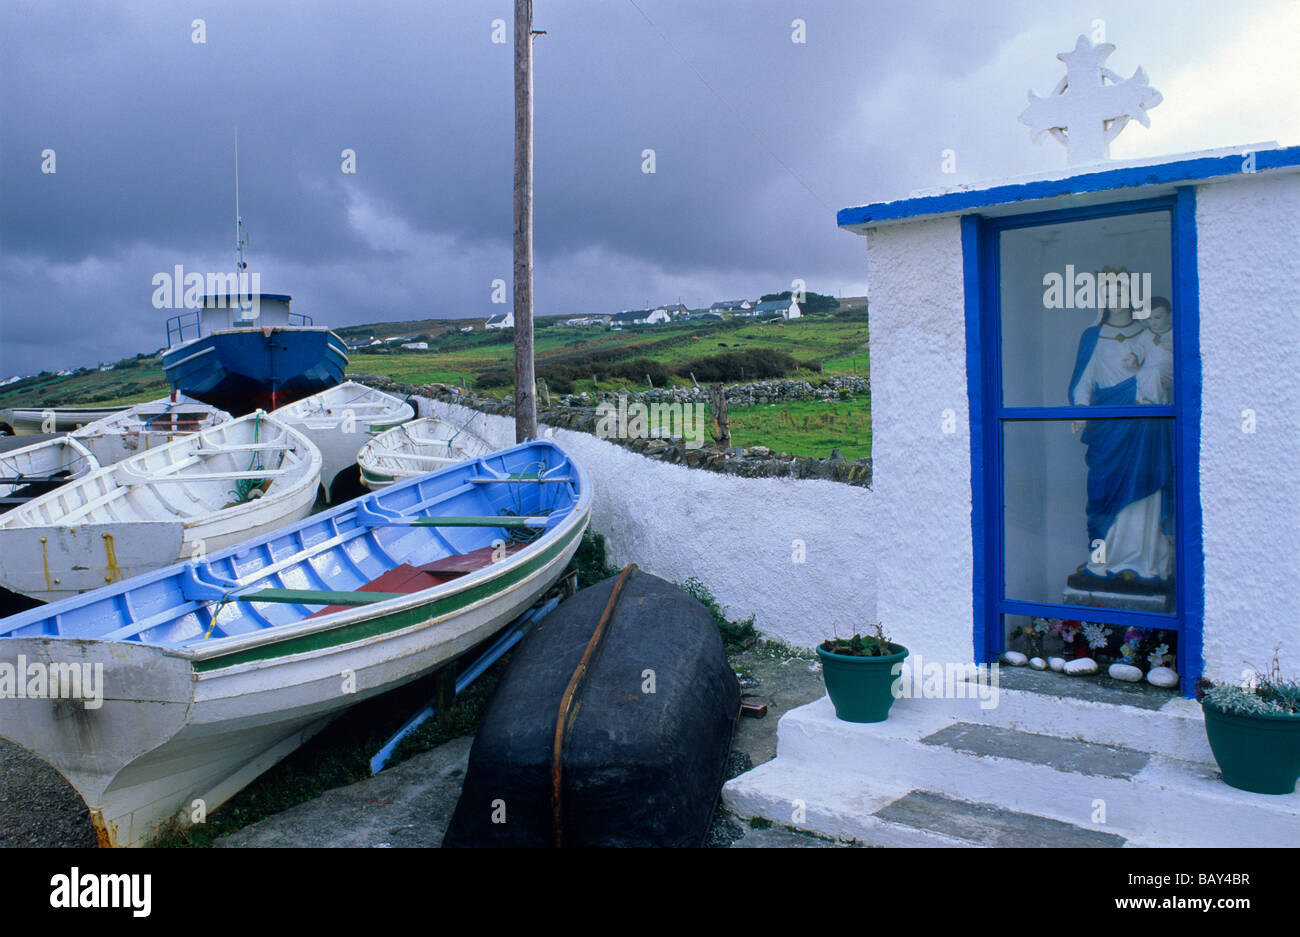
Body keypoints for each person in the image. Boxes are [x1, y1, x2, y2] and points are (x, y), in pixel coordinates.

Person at [1068, 287, 1174, 587]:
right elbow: (1085, 379)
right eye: (1109, 295)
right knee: (1102, 488)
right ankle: (1102, 560)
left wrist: (1170, 381)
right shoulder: (1093, 336)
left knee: (1146, 484)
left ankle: (1146, 560)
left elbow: (1169, 368)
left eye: (1121, 294)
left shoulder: (1148, 333)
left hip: (1144, 423)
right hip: (1108, 423)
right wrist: (1080, 410)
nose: (1116, 302)